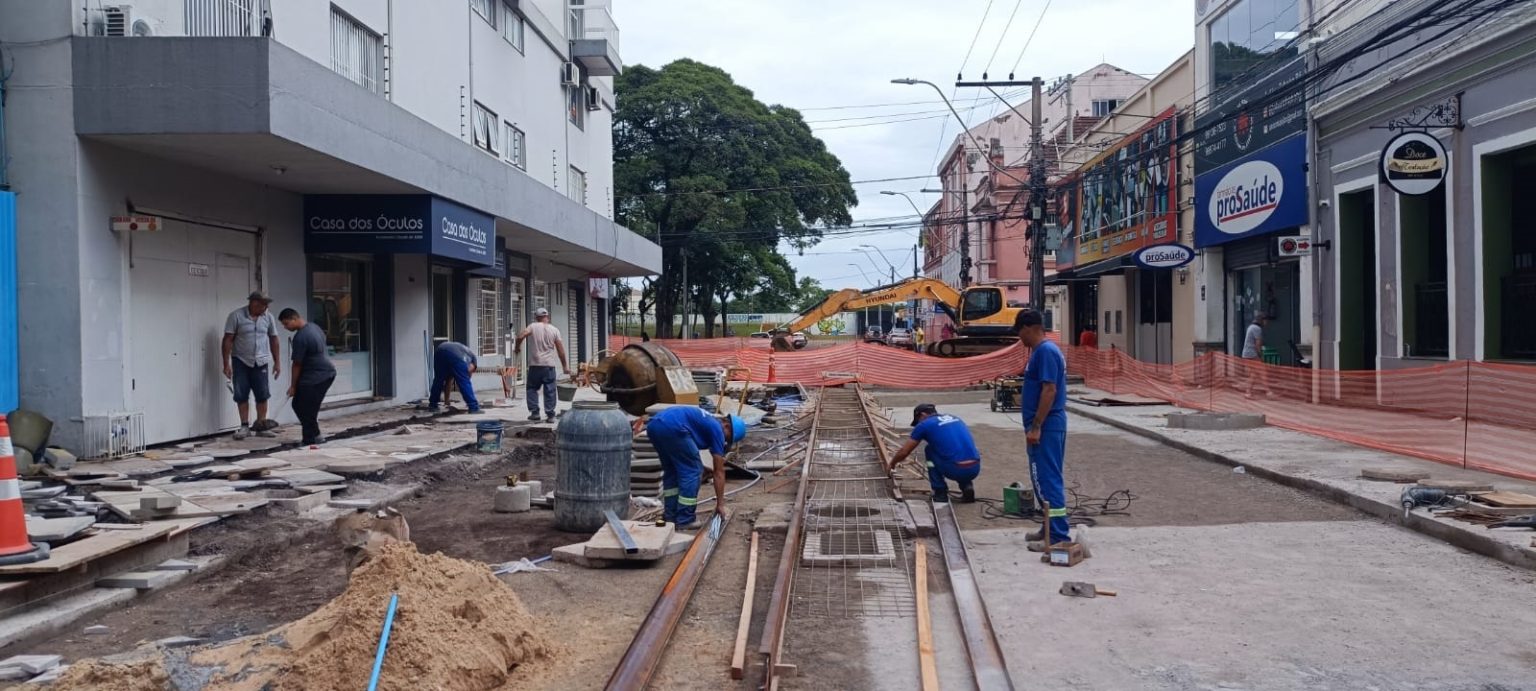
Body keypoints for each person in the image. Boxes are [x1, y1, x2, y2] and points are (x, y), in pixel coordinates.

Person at [633, 407, 746, 529]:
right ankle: (685, 519)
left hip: (654, 426)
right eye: (728, 439)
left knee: (672, 471)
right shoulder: (717, 430)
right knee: (693, 471)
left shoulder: (707, 420)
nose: (724, 442)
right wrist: (720, 504)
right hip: (674, 427)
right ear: (727, 426)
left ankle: (670, 516)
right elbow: (719, 472)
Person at [1016, 309, 1070, 550]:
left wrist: (1036, 426)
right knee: (1042, 478)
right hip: (1045, 426)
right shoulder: (1042, 352)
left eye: (1020, 332)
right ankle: (1049, 526)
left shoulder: (1046, 352)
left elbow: (1050, 390)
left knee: (1047, 480)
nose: (1019, 338)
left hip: (1046, 427)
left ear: (1029, 328)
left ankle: (1058, 536)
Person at [885, 404, 980, 504]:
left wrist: (892, 463)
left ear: (922, 415)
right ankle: (967, 486)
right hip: (974, 468)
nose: (918, 424)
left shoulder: (924, 425)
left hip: (955, 469)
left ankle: (940, 492)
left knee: (929, 451)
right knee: (957, 451)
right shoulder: (955, 418)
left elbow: (905, 451)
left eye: (918, 421)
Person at [222, 291, 281, 440]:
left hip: (261, 361)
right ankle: (244, 426)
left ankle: (261, 425)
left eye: (267, 305)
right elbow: (228, 339)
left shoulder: (268, 317)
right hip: (241, 360)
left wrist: (277, 362)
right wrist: (226, 363)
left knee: (262, 394)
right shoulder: (236, 316)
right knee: (241, 393)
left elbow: (274, 339)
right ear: (254, 303)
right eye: (263, 304)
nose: (266, 307)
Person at [279, 308, 337, 446]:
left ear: (294, 318)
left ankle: (309, 439)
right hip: (324, 373)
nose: (285, 327)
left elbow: (297, 364)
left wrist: (293, 386)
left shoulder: (300, 337)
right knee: (300, 405)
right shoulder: (314, 327)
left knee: (306, 408)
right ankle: (315, 434)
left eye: (286, 324)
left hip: (317, 376)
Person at [514, 307, 571, 422]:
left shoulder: (533, 326)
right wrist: (565, 366)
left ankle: (535, 413)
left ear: (536, 317)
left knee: (531, 388)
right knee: (550, 389)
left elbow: (520, 336)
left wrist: (517, 348)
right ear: (547, 317)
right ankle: (550, 415)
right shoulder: (554, 330)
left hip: (535, 365)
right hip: (549, 366)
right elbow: (561, 350)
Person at [428, 341, 482, 414]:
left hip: (440, 350)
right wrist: (465, 380)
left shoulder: (465, 353)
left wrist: (446, 400)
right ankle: (473, 407)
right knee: (464, 382)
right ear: (473, 366)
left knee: (438, 380)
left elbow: (448, 382)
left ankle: (433, 405)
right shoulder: (471, 359)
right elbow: (465, 379)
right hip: (455, 355)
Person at [1241, 312, 1274, 398]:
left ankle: (1248, 392)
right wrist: (1260, 355)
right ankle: (1269, 392)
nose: (1267, 323)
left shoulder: (1251, 327)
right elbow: (1257, 344)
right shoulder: (1257, 329)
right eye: (1266, 321)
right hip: (1252, 354)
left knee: (1254, 373)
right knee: (1263, 372)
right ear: (1262, 320)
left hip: (1246, 353)